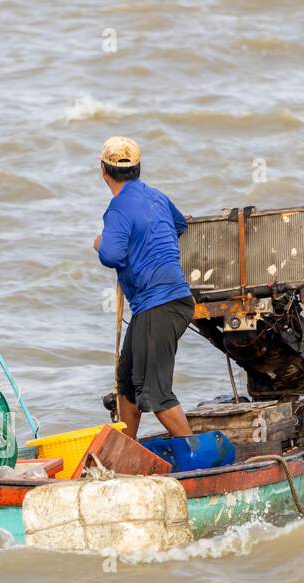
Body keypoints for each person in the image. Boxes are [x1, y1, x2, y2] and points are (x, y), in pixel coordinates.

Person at [94, 136, 195, 439]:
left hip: (160, 304)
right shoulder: (157, 197)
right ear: (138, 169)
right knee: (126, 384)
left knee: (156, 395)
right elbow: (180, 225)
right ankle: (127, 449)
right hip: (157, 305)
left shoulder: (119, 208)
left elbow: (110, 254)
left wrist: (99, 243)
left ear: (103, 170)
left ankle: (197, 459)